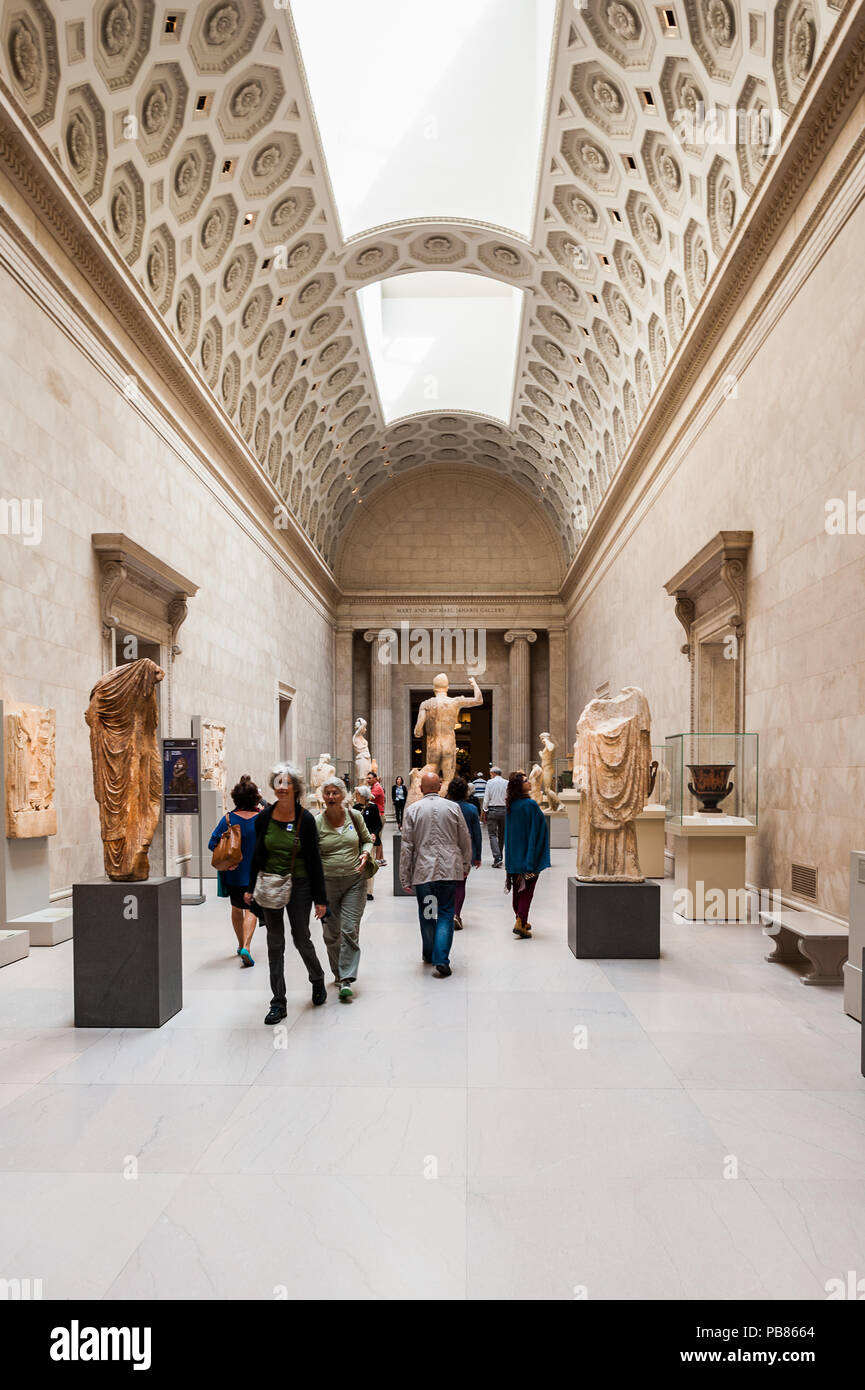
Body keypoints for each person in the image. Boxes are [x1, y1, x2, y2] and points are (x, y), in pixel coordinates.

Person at [246, 762, 328, 1024]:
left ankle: (317, 979)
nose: (282, 788)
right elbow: (256, 856)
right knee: (274, 942)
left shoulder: (306, 820)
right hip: (270, 884)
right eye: (278, 783)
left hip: (300, 885)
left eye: (287, 783)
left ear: (295, 787)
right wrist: (250, 889)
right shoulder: (263, 818)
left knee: (301, 937)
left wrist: (321, 899)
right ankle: (278, 1002)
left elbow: (315, 861)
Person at [400, 769, 471, 978]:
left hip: (424, 873)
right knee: (446, 913)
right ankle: (441, 958)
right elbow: (464, 839)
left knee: (428, 914)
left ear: (421, 788)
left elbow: (407, 847)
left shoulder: (413, 810)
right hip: (449, 871)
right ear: (440, 787)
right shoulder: (453, 808)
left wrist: (405, 876)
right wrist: (465, 865)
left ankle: (430, 954)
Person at [315, 777, 373, 1002]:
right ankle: (338, 974)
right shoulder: (317, 822)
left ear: (343, 795)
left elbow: (367, 841)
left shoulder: (354, 816)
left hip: (354, 882)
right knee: (331, 933)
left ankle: (347, 978)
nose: (331, 797)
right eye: (327, 793)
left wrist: (365, 853)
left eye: (335, 793)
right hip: (327, 884)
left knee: (349, 929)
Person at [208, 774, 263, 968]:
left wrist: (229, 862)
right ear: (255, 798)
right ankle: (247, 945)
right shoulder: (260, 819)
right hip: (255, 874)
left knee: (237, 907)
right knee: (252, 909)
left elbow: (212, 843)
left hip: (234, 874)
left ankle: (240, 945)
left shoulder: (228, 819)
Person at [503, 770, 550, 939]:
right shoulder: (530, 805)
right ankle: (520, 921)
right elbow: (537, 832)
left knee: (517, 890)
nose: (529, 782)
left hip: (514, 859)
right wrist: (532, 859)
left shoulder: (511, 805)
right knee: (527, 892)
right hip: (528, 858)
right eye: (525, 781)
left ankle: (520, 919)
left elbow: (508, 835)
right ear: (519, 786)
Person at [445, 776, 482, 930]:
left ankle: (446, 914)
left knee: (446, 884)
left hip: (446, 850)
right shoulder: (471, 809)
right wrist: (477, 856)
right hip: (464, 851)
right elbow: (477, 834)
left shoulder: (445, 806)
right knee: (461, 883)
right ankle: (456, 914)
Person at [354, 784, 382, 901]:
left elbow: (378, 824)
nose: (355, 796)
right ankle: (359, 889)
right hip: (358, 841)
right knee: (359, 864)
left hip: (370, 840)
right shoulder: (355, 808)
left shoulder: (373, 807)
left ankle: (369, 891)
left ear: (363, 796)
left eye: (357, 794)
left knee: (369, 864)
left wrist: (374, 833)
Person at [482, 765, 508, 867]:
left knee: (492, 834)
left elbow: (486, 797)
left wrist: (484, 809)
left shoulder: (489, 782)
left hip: (492, 810)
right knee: (502, 835)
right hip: (504, 810)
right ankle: (500, 856)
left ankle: (497, 857)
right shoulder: (506, 782)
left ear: (493, 774)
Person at [366, 771, 387, 865]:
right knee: (378, 837)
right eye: (367, 778)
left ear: (375, 778)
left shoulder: (377, 788)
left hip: (379, 815)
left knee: (377, 837)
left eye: (370, 778)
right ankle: (381, 858)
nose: (368, 780)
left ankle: (378, 859)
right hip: (377, 815)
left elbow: (368, 798)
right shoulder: (374, 787)